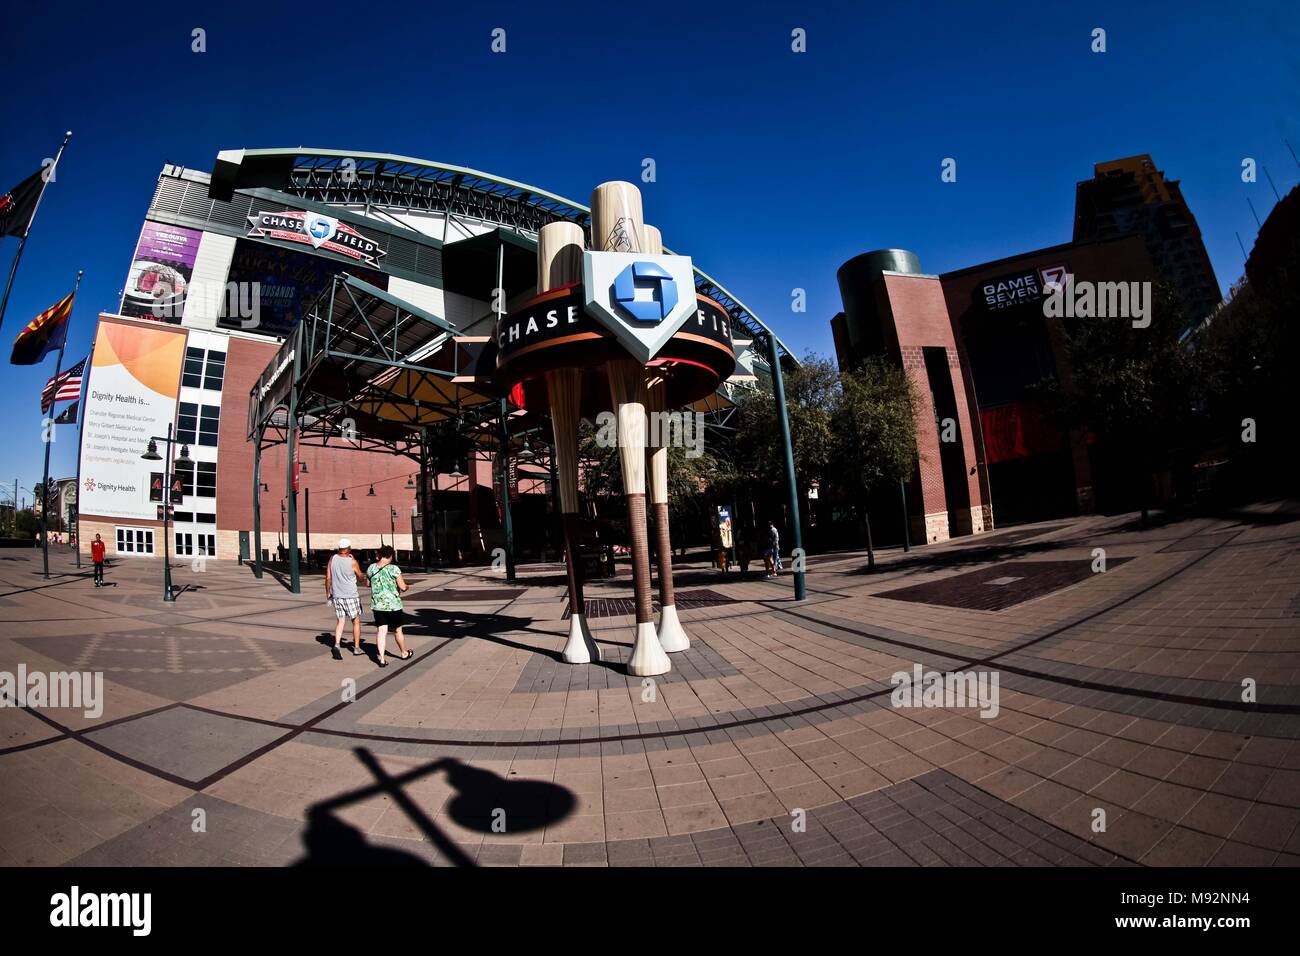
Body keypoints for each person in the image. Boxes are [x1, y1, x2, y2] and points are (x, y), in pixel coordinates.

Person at [366, 546, 411, 668]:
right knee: (398, 630)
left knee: (381, 631)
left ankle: (381, 659)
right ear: (391, 556)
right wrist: (407, 587)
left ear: (380, 555)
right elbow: (402, 587)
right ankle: (403, 653)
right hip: (393, 606)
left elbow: (367, 584)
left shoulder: (371, 567)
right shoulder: (394, 569)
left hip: (378, 605)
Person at [326, 538, 367, 657]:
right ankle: (357, 648)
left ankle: (337, 644)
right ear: (349, 548)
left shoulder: (332, 559)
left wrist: (328, 595)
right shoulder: (352, 562)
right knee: (356, 621)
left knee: (340, 621)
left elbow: (328, 578)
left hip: (337, 595)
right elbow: (360, 577)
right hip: (350, 595)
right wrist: (362, 576)